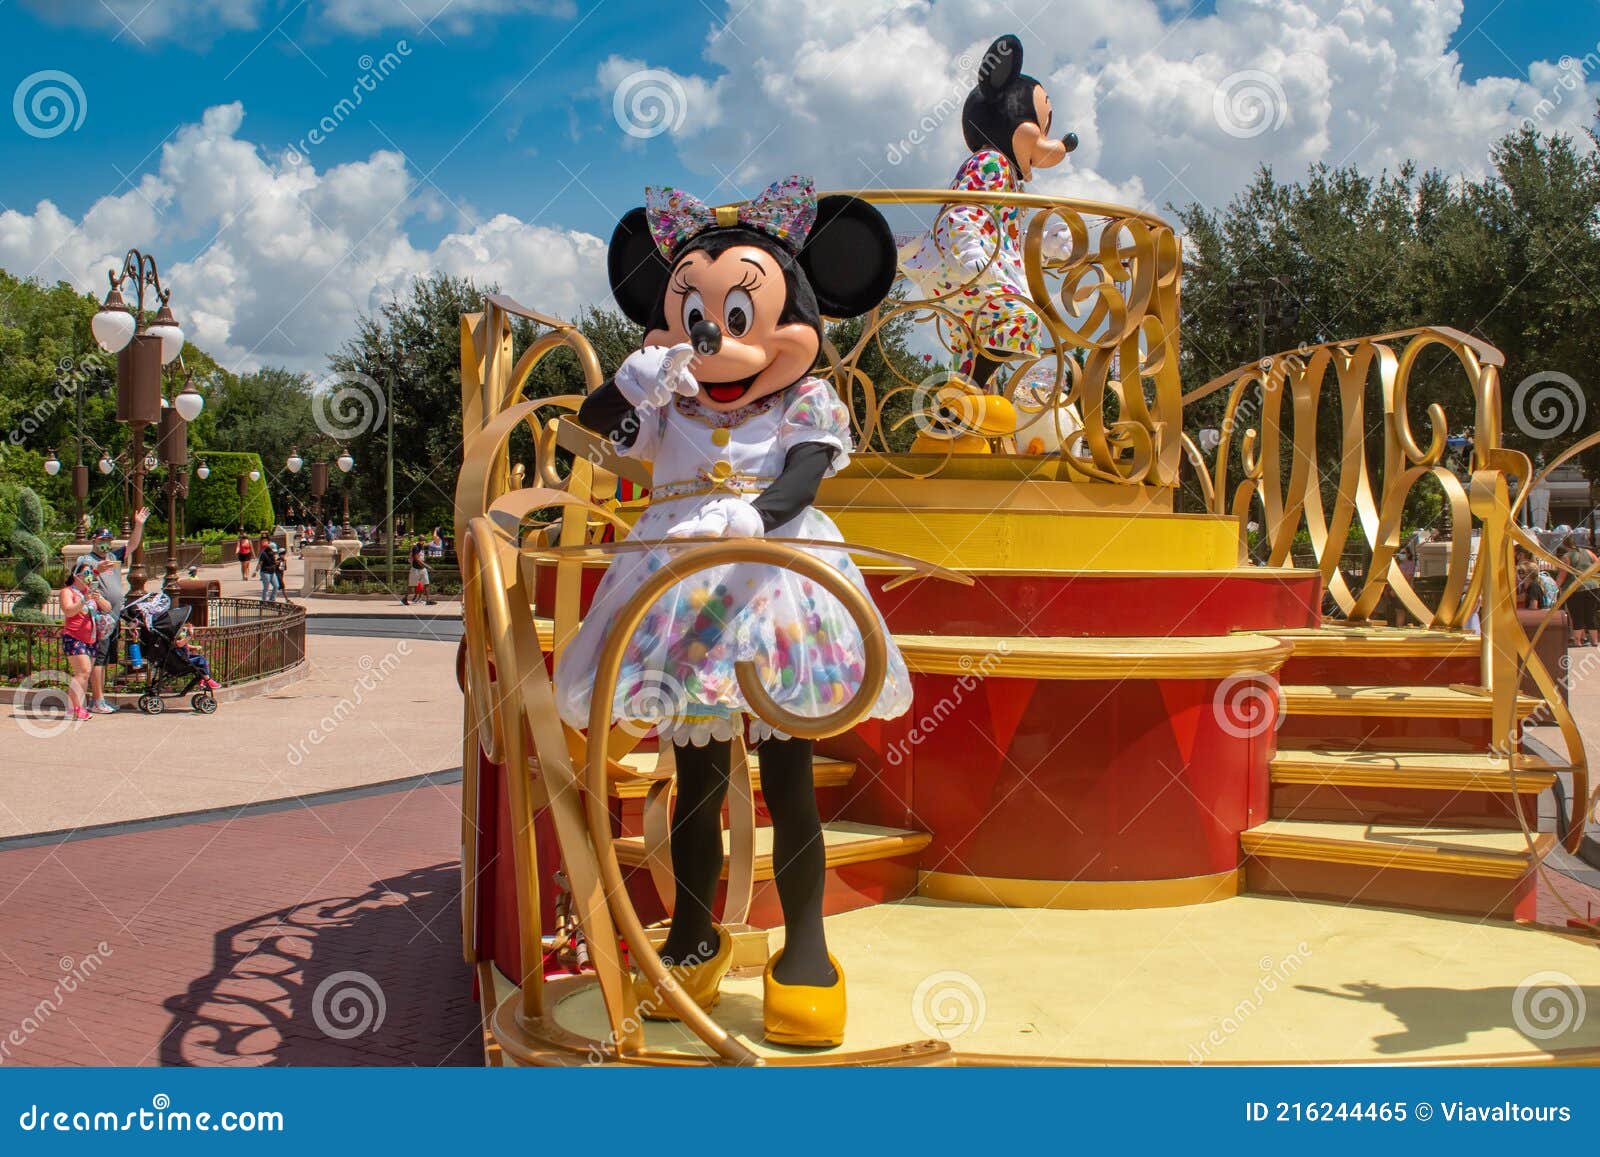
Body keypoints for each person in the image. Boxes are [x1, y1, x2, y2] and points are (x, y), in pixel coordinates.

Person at [83, 508, 149, 714]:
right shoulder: (87, 560)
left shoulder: (112, 556)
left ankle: (99, 698)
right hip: (99, 618)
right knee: (99, 658)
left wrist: (139, 524)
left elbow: (132, 545)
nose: (106, 543)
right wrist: (95, 572)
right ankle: (97, 701)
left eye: (109, 540)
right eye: (102, 539)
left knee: (105, 658)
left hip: (112, 618)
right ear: (94, 541)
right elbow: (80, 582)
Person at [59, 560, 110, 721]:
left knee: (84, 675)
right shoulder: (67, 591)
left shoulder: (90, 591)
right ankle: (76, 708)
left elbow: (107, 608)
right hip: (74, 637)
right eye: (87, 574)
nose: (90, 577)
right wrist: (83, 600)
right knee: (83, 671)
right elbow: (68, 611)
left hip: (92, 638)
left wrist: (98, 599)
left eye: (91, 574)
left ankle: (73, 708)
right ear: (76, 576)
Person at [1560, 534, 1599, 646]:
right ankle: (1595, 641)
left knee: (1577, 615)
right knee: (1590, 614)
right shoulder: (1588, 552)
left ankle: (1577, 641)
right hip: (1593, 587)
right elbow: (1597, 565)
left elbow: (1562, 575)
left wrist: (1556, 587)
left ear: (1564, 545)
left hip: (1575, 588)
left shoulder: (1566, 556)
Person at [171, 622, 221, 691]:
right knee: (202, 660)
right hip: (182, 661)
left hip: (183, 658)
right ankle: (208, 681)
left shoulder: (175, 636)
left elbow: (183, 644)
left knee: (200, 659)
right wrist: (189, 635)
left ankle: (202, 680)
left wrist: (194, 647)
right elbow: (179, 644)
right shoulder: (174, 637)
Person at [403, 539, 434, 605]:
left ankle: (428, 600)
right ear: (420, 541)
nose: (424, 542)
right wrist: (427, 566)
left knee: (426, 584)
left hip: (422, 569)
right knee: (411, 585)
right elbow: (417, 559)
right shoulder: (415, 548)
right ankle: (405, 599)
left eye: (424, 540)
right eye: (422, 540)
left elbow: (428, 544)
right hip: (415, 569)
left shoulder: (421, 547)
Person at [254, 536, 279, 603]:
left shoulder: (274, 555)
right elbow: (260, 563)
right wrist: (255, 571)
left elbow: (274, 562)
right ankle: (264, 601)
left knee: (276, 586)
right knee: (266, 587)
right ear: (269, 549)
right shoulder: (264, 554)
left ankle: (272, 599)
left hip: (272, 572)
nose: (274, 552)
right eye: (272, 551)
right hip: (265, 572)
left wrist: (277, 562)